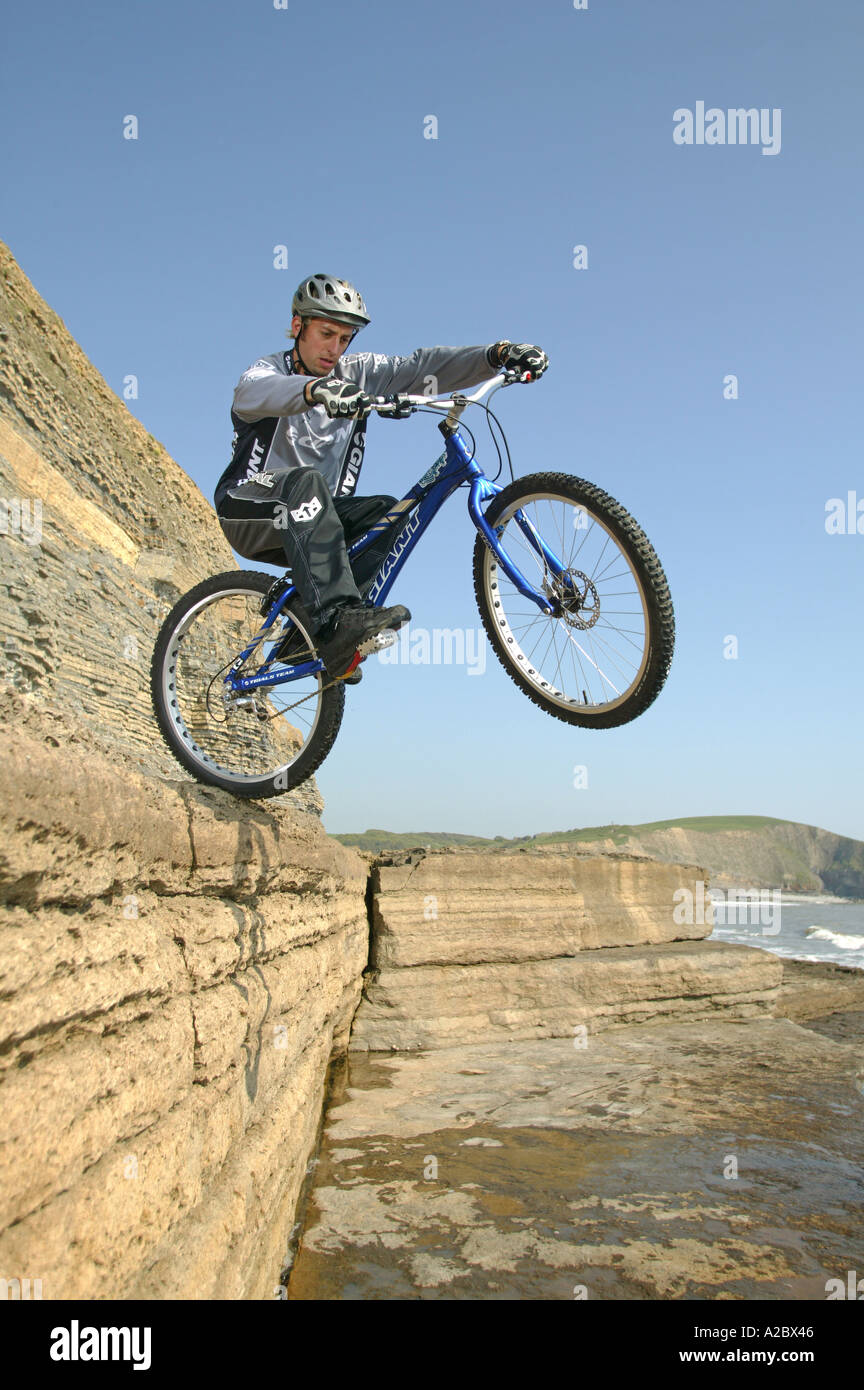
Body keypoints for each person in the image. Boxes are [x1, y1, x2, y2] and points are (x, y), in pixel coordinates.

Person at [215, 273, 548, 680]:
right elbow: (255, 392)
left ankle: (309, 641)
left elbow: (422, 366)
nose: (334, 348)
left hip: (316, 523)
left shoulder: (358, 373)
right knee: (305, 482)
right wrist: (317, 391)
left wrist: (495, 355)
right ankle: (338, 622)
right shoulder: (267, 371)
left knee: (390, 513)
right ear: (298, 326)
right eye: (326, 333)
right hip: (250, 512)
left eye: (344, 338)